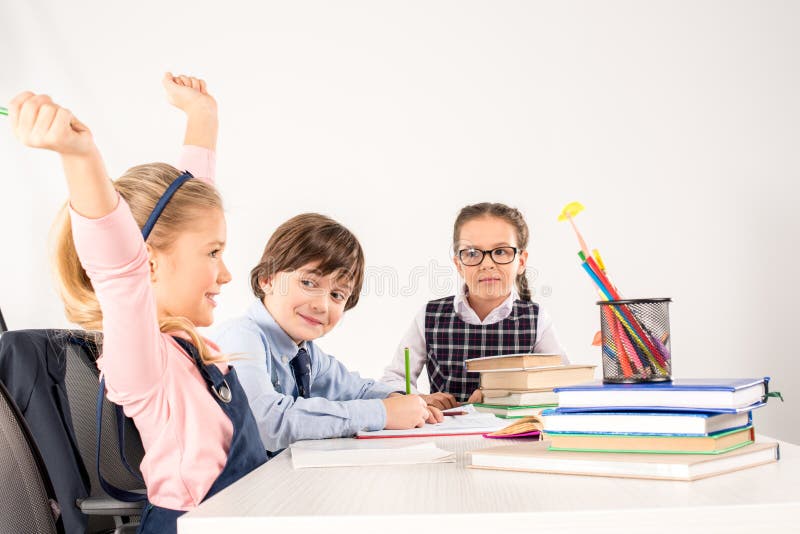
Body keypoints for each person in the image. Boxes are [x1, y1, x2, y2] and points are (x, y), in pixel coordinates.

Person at [8, 73, 266, 534]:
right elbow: (120, 268)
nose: (227, 273)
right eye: (214, 253)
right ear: (148, 262)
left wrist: (203, 117)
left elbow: (185, 208)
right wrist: (80, 156)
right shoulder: (145, 363)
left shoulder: (186, 345)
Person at [213, 213, 440, 454]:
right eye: (308, 283)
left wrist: (401, 399)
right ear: (266, 279)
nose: (322, 305)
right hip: (241, 488)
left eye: (337, 295)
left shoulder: (304, 352)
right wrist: (383, 413)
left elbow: (356, 389)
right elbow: (266, 423)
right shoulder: (241, 336)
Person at [381, 202, 568, 409]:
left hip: (513, 433)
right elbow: (393, 379)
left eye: (501, 252)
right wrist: (420, 399)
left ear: (521, 261)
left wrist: (506, 391)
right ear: (458, 264)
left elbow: (561, 382)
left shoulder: (536, 319)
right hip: (445, 434)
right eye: (472, 253)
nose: (487, 264)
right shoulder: (431, 315)